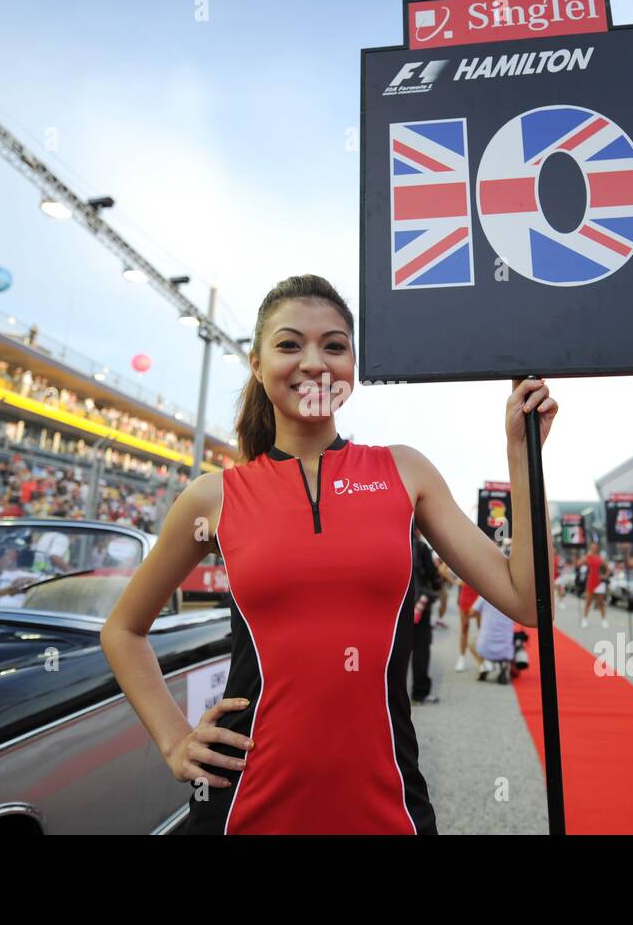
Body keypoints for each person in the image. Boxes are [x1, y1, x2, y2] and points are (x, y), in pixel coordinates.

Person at [99, 274, 557, 835]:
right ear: (257, 363)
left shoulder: (404, 471)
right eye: (290, 344)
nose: (314, 362)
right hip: (243, 803)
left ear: (353, 366)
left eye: (334, 345)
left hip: (388, 802)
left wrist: (522, 453)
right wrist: (174, 739)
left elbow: (528, 602)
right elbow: (122, 630)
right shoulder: (213, 496)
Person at [411, 523, 442, 705]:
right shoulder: (420, 547)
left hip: (392, 606)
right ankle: (419, 692)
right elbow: (434, 576)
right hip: (419, 605)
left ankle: (388, 694)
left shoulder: (389, 542)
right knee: (421, 648)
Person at [577, 541, 610, 628]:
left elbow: (608, 568)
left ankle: (603, 620)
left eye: (595, 547)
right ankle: (584, 619)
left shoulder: (600, 558)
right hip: (591, 581)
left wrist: (605, 576)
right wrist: (587, 555)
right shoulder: (588, 557)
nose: (594, 548)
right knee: (588, 602)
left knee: (600, 603)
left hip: (599, 583)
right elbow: (579, 563)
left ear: (598, 548)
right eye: (592, 547)